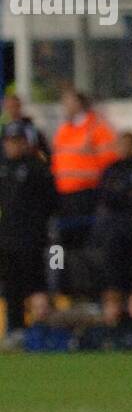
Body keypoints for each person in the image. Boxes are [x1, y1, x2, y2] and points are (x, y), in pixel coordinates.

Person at [0, 120, 58, 336]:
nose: (12, 146)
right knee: (12, 288)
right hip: (7, 240)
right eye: (9, 141)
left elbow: (51, 203)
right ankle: (15, 329)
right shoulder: (4, 168)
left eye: (17, 141)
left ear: (26, 142)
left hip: (32, 239)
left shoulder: (37, 168)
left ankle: (41, 328)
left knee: (36, 286)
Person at [50, 91, 118, 253]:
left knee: (84, 241)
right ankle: (60, 275)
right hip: (62, 195)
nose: (65, 106)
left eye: (68, 102)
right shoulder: (64, 129)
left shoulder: (95, 127)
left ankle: (82, 276)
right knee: (60, 243)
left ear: (79, 104)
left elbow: (109, 160)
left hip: (85, 195)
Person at [91, 131, 132, 293]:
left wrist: (122, 194)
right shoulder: (111, 170)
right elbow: (106, 196)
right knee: (115, 275)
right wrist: (125, 194)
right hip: (115, 232)